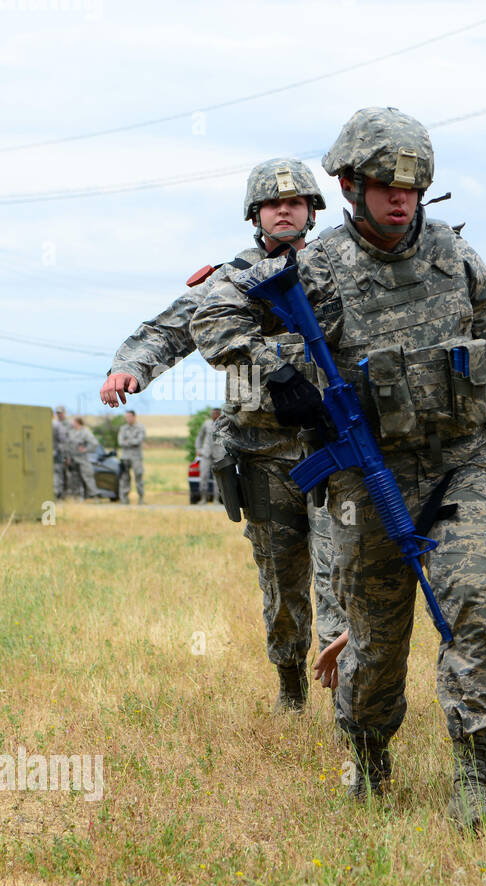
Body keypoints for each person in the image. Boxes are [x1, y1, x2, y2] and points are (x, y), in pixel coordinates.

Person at [192, 107, 486, 828]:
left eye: (414, 181)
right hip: (364, 479)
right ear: (349, 183)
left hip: (458, 468)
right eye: (384, 181)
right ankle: (369, 755)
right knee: (377, 641)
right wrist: (275, 366)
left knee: (478, 608)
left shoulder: (455, 257)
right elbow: (212, 316)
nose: (401, 194)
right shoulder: (314, 268)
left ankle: (473, 775)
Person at [100, 158, 345, 710]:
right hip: (262, 456)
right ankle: (290, 689)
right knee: (282, 587)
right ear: (255, 214)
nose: (285, 210)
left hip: (334, 450)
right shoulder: (229, 280)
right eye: (272, 204)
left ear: (311, 210)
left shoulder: (339, 267)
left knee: (340, 576)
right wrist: (131, 367)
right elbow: (170, 328)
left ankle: (346, 699)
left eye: (295, 202)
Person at [117, 409, 146, 504]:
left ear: (134, 417)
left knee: (138, 476)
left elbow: (139, 441)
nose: (127, 419)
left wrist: (127, 441)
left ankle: (141, 498)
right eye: (126, 417)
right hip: (125, 457)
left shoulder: (140, 428)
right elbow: (120, 442)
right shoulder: (123, 428)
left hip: (136, 457)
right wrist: (131, 441)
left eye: (129, 417)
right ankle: (124, 499)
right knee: (125, 478)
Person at [66, 417, 100, 499]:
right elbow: (68, 445)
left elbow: (94, 444)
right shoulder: (71, 432)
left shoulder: (85, 432)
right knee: (74, 478)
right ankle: (76, 496)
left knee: (88, 476)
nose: (72, 423)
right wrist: (67, 457)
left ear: (78, 422)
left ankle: (94, 495)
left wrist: (85, 450)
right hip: (73, 458)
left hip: (82, 458)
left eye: (74, 422)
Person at [195, 407, 220, 502]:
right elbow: (199, 437)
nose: (214, 415)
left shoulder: (224, 424)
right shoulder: (206, 424)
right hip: (206, 453)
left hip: (218, 455)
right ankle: (203, 498)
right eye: (213, 413)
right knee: (203, 476)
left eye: (216, 413)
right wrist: (198, 449)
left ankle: (216, 499)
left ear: (219, 414)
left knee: (217, 478)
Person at [52, 405, 69, 499]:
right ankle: (58, 494)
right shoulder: (56, 424)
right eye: (57, 413)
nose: (59, 414)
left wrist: (67, 455)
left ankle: (62, 494)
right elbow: (63, 441)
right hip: (58, 453)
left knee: (64, 475)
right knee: (58, 474)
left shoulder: (69, 424)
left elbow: (67, 441)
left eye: (60, 412)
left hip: (65, 452)